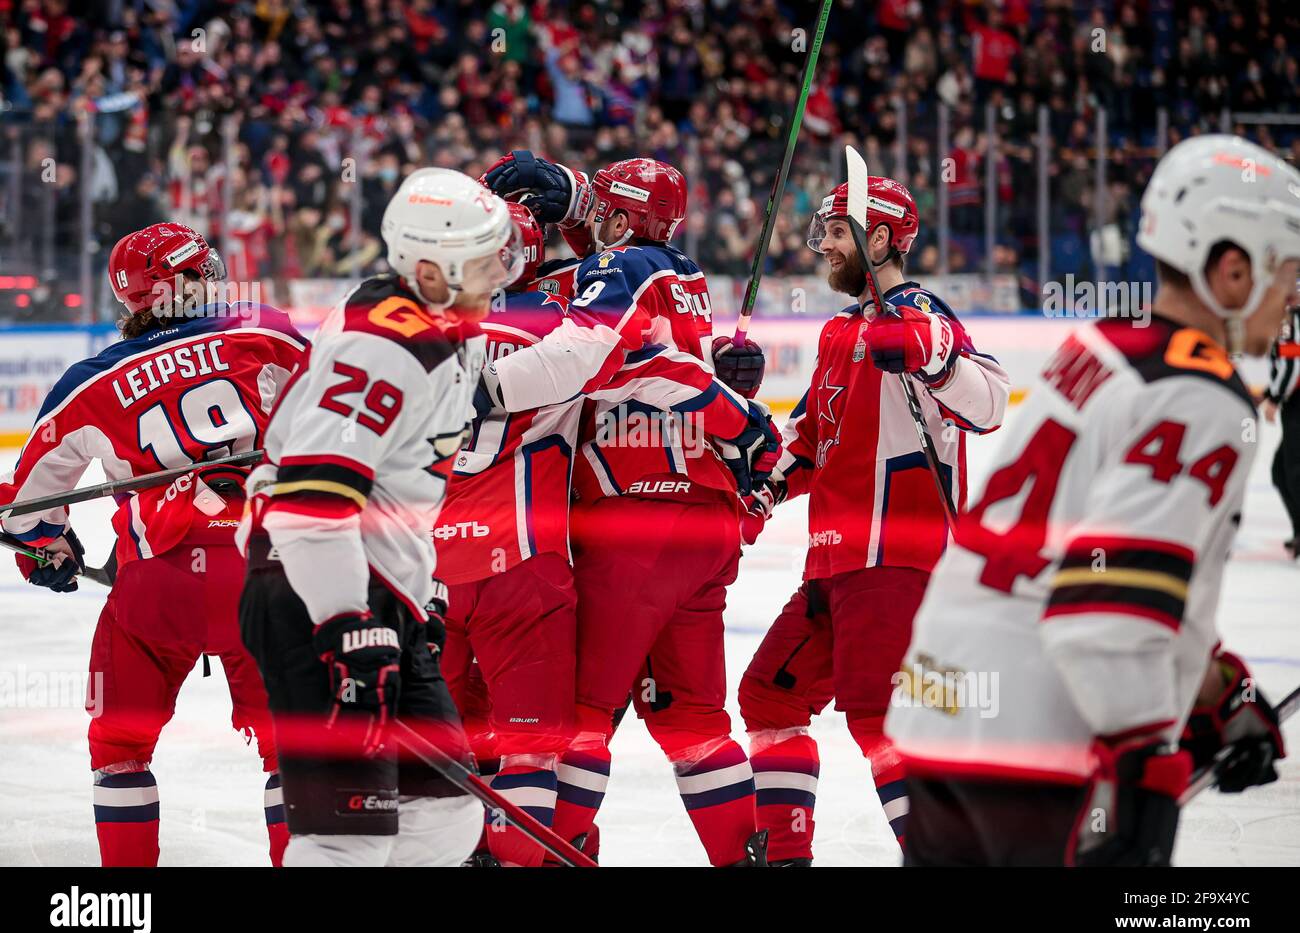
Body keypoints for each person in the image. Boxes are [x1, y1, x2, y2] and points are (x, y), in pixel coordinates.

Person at [887, 134, 1297, 866]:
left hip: (942, 704)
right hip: (1038, 742)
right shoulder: (1202, 396)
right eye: (1286, 271)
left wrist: (1216, 686)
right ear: (1232, 271)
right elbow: (1106, 612)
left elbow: (1081, 562)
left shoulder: (1099, 347)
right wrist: (1144, 760)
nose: (1293, 294)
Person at [438, 202, 774, 865]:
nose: (588, 232)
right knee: (693, 723)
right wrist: (741, 414)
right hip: (701, 526)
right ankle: (753, 857)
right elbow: (665, 369)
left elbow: (622, 357)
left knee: (577, 718)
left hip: (600, 531)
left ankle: (547, 852)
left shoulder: (596, 289)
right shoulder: (675, 293)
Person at [0, 222, 308, 866]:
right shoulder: (267, 332)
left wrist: (47, 552)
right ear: (188, 282)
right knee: (294, 750)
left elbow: (25, 508)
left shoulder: (91, 381)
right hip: (270, 574)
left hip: (157, 585)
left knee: (120, 751)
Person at [236, 168, 518, 867]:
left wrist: (415, 598)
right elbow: (310, 503)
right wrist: (343, 620)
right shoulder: (386, 345)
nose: (501, 273)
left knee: (445, 812)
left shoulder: (444, 327)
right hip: (315, 593)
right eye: (486, 261)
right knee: (345, 836)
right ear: (431, 270)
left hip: (376, 592)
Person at [736, 178, 1010, 864]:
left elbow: (992, 402)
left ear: (878, 239)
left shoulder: (922, 311)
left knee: (881, 720)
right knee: (770, 693)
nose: (822, 246)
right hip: (834, 565)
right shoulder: (839, 331)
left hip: (895, 562)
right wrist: (760, 489)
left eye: (834, 233)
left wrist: (931, 355)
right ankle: (787, 854)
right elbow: (808, 444)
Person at [1263, 300, 1300, 558]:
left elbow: (1292, 363)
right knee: (1282, 471)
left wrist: (1274, 398)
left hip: (1296, 403)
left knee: (1293, 472)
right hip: (1293, 402)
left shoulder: (1289, 320)